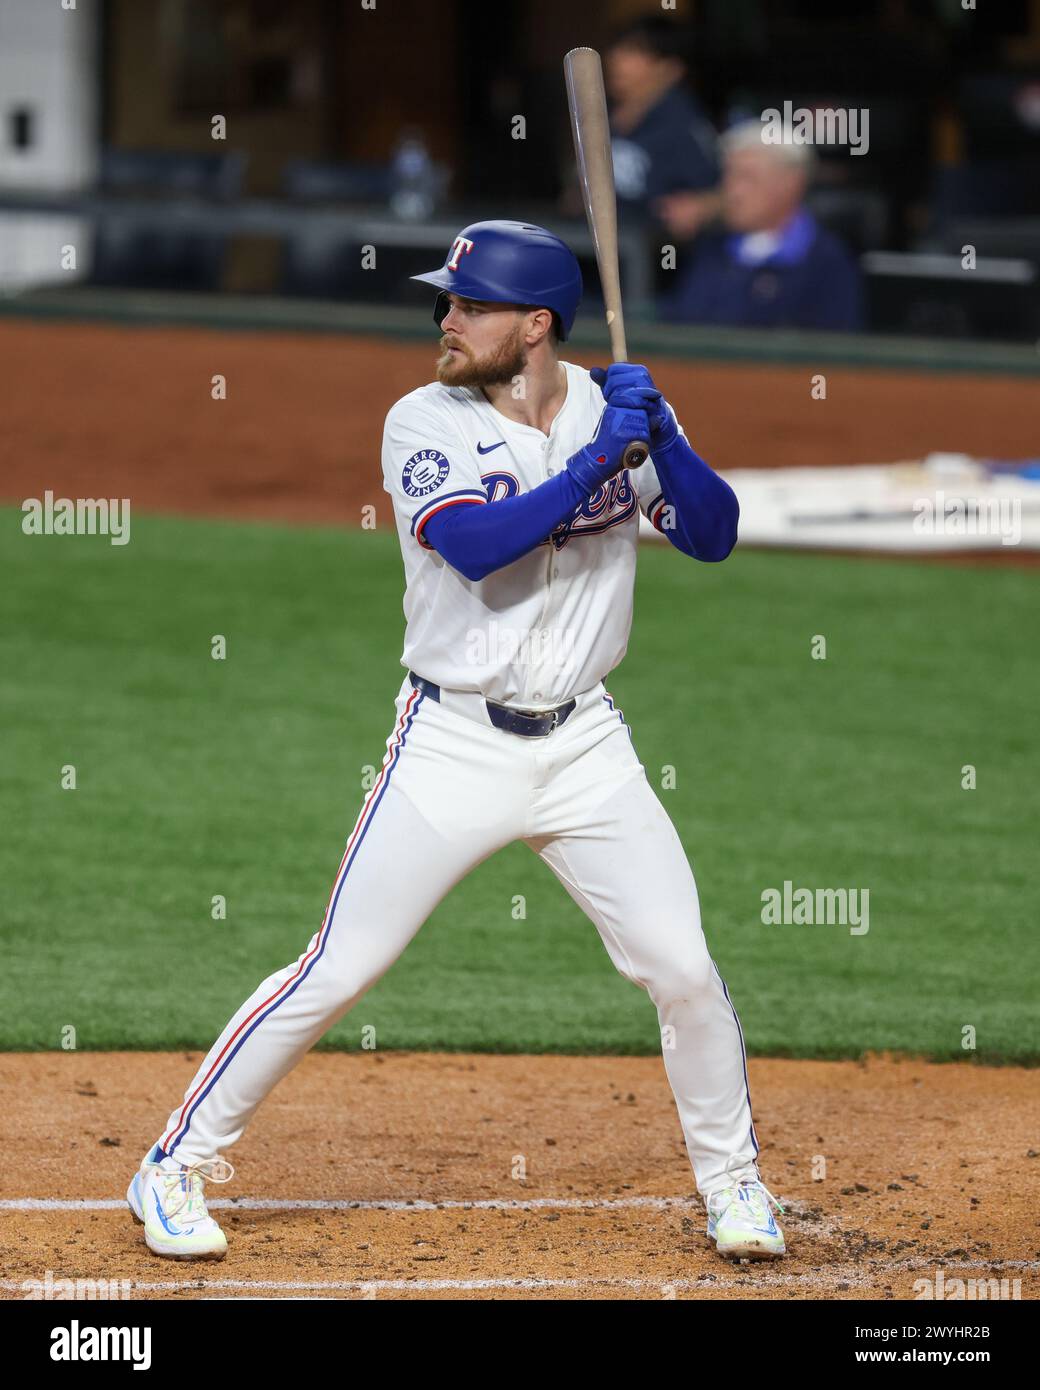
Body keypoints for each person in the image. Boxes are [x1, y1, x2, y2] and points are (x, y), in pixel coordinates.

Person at [125, 220, 787, 1266]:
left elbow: (712, 533)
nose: (445, 319)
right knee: (341, 965)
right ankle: (172, 1161)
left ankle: (734, 1182)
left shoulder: (612, 412)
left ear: (533, 326)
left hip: (585, 750)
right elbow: (479, 548)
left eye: (468, 305)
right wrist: (592, 469)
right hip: (452, 743)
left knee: (683, 970)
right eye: (448, 302)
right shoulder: (421, 419)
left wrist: (663, 440)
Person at [662, 120, 864, 332]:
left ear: (790, 184)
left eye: (747, 178)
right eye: (728, 176)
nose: (732, 191)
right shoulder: (708, 249)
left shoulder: (826, 263)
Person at [602, 14, 721, 244]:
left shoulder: (683, 124)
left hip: (659, 263)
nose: (616, 59)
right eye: (618, 49)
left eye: (635, 52)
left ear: (670, 68)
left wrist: (704, 205)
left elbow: (725, 194)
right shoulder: (603, 114)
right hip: (597, 253)